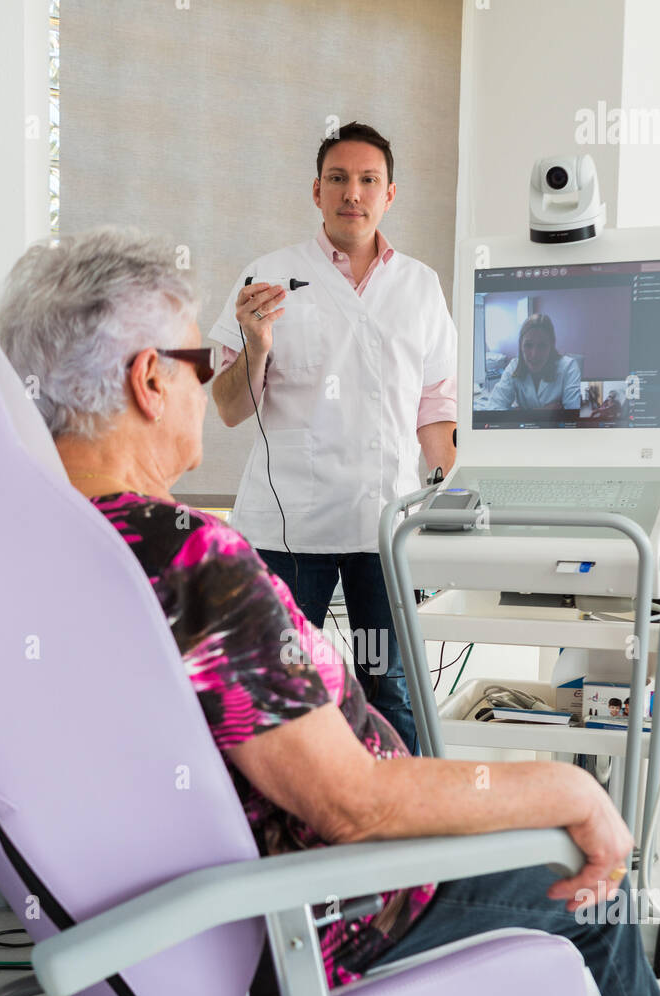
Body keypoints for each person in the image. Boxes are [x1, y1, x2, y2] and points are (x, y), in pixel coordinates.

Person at [0, 226, 660, 996]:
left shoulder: (55, 546)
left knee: (530, 846)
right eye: (200, 362)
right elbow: (349, 804)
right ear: (146, 380)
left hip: (252, 917)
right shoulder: (191, 557)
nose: (211, 380)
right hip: (338, 914)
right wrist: (567, 785)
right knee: (588, 884)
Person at [208, 122, 458, 755]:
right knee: (281, 690)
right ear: (316, 191)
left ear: (390, 193)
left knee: (391, 689)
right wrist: (256, 346)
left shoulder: (420, 286)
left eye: (368, 180)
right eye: (339, 179)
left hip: (384, 523)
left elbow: (435, 409)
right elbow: (230, 408)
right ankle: (284, 834)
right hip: (291, 523)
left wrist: (457, 506)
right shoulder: (269, 277)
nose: (354, 193)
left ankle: (406, 828)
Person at [486, 313, 581, 412]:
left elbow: (574, 415)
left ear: (551, 346)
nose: (534, 354)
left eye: (542, 345)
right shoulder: (514, 366)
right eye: (528, 345)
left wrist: (519, 412)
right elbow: (494, 408)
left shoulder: (569, 367)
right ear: (521, 345)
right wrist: (542, 411)